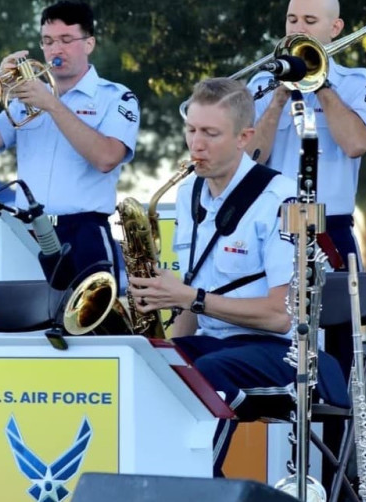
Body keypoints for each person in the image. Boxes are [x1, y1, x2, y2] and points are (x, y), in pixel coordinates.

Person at [129, 77, 348, 477]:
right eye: (191, 130)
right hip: (218, 345)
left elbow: (280, 316)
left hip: (288, 354)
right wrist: (165, 348)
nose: (196, 144)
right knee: (147, 366)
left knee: (208, 372)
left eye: (211, 133)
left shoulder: (286, 199)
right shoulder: (188, 193)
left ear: (244, 137)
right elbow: (191, 298)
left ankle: (195, 487)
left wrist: (191, 297)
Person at [0, 0, 139, 291]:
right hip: (26, 230)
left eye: (66, 40)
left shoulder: (115, 96)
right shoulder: (28, 96)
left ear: (89, 43)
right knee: (23, 317)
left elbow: (107, 158)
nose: (55, 49)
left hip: (83, 230)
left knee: (91, 317)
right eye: (47, 41)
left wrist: (52, 104)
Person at [248, 0, 366, 268]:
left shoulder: (357, 82)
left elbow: (356, 144)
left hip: (331, 227)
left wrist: (320, 83)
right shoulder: (261, 85)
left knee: (341, 299)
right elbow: (248, 159)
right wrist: (277, 101)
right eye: (292, 19)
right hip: (270, 225)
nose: (298, 29)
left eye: (310, 21)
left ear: (335, 28)